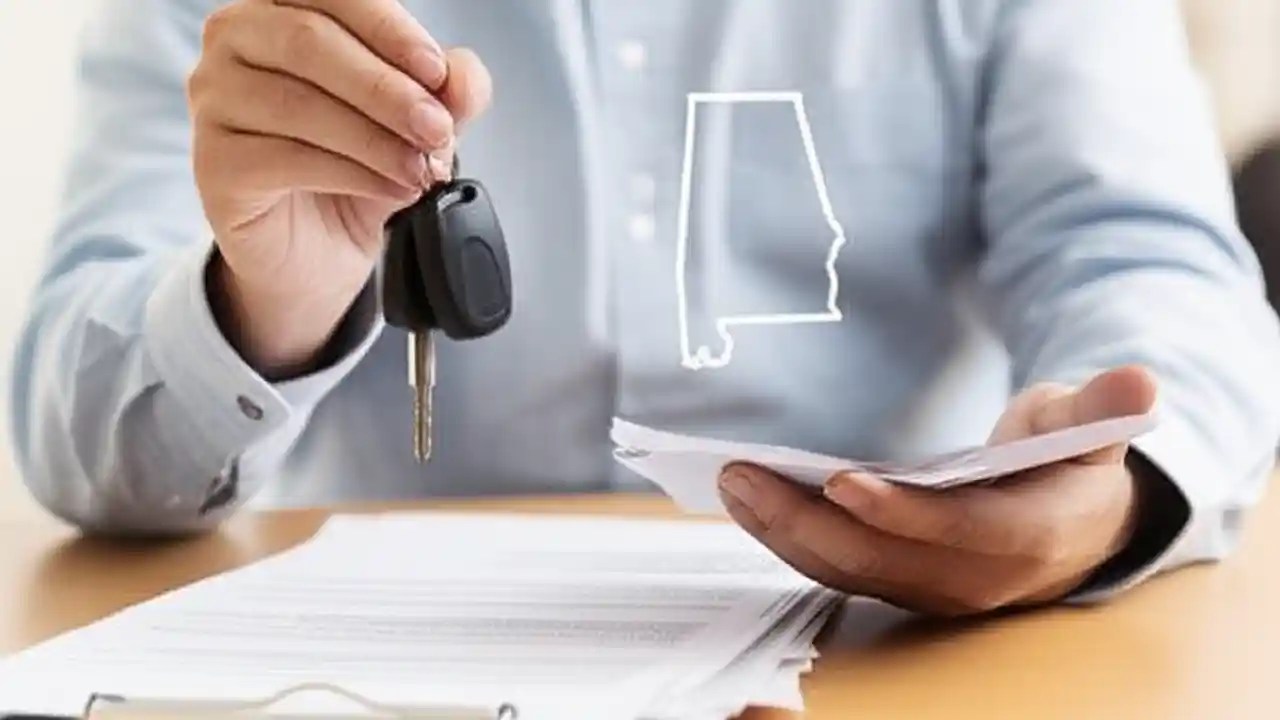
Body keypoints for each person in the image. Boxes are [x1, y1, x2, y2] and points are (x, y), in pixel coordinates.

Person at [9, 0, 1279, 617]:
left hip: (906, 659)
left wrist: (1114, 498)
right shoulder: (266, 17)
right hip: (396, 667)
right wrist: (264, 304)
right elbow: (84, 447)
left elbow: (1154, 265)